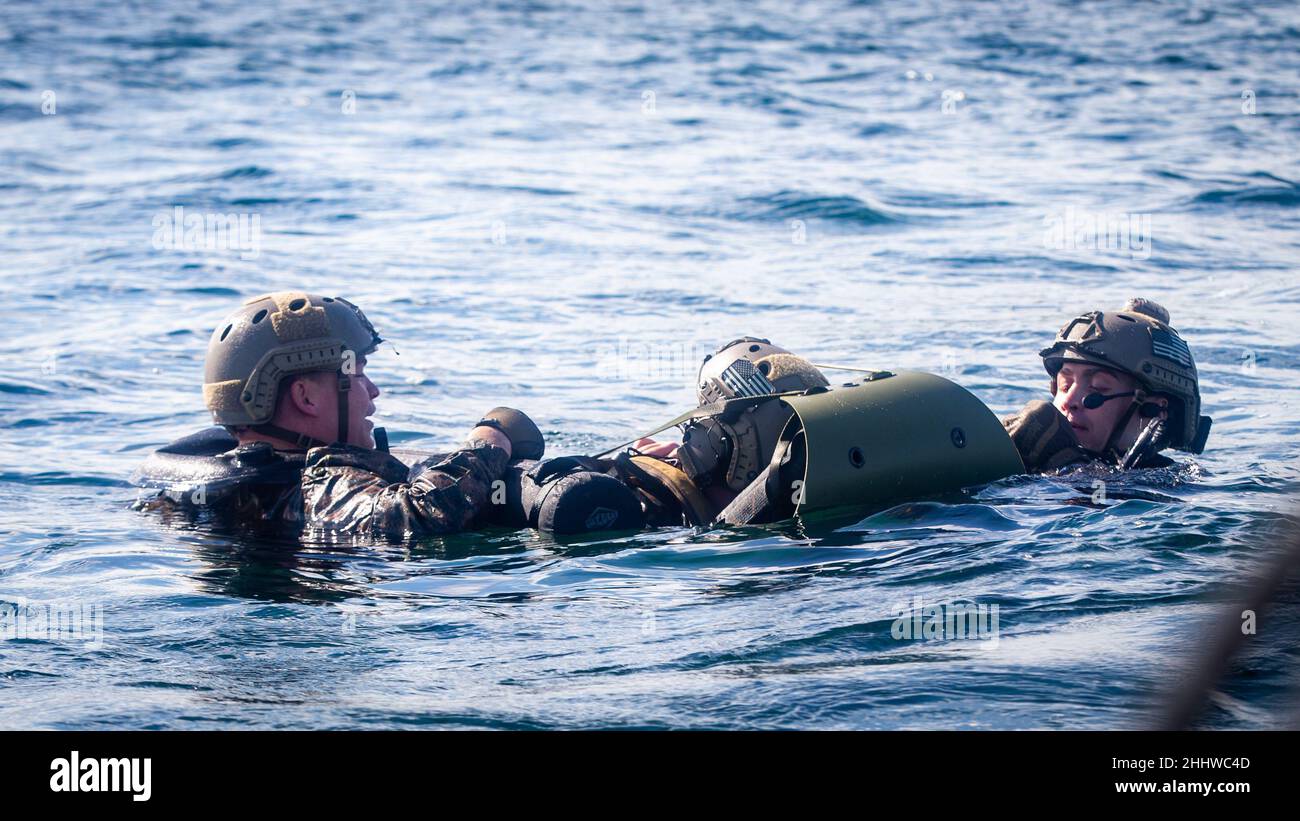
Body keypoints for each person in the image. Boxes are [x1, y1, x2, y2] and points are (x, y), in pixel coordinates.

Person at [134, 291, 544, 541]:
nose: (373, 390)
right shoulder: (322, 482)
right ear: (305, 397)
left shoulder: (214, 485)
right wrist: (491, 441)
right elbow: (416, 516)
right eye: (359, 373)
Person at [1002, 298, 1211, 473]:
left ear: (1157, 411)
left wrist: (1063, 469)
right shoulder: (1037, 451)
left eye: (1098, 388)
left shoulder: (1165, 486)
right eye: (1065, 385)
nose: (1069, 401)